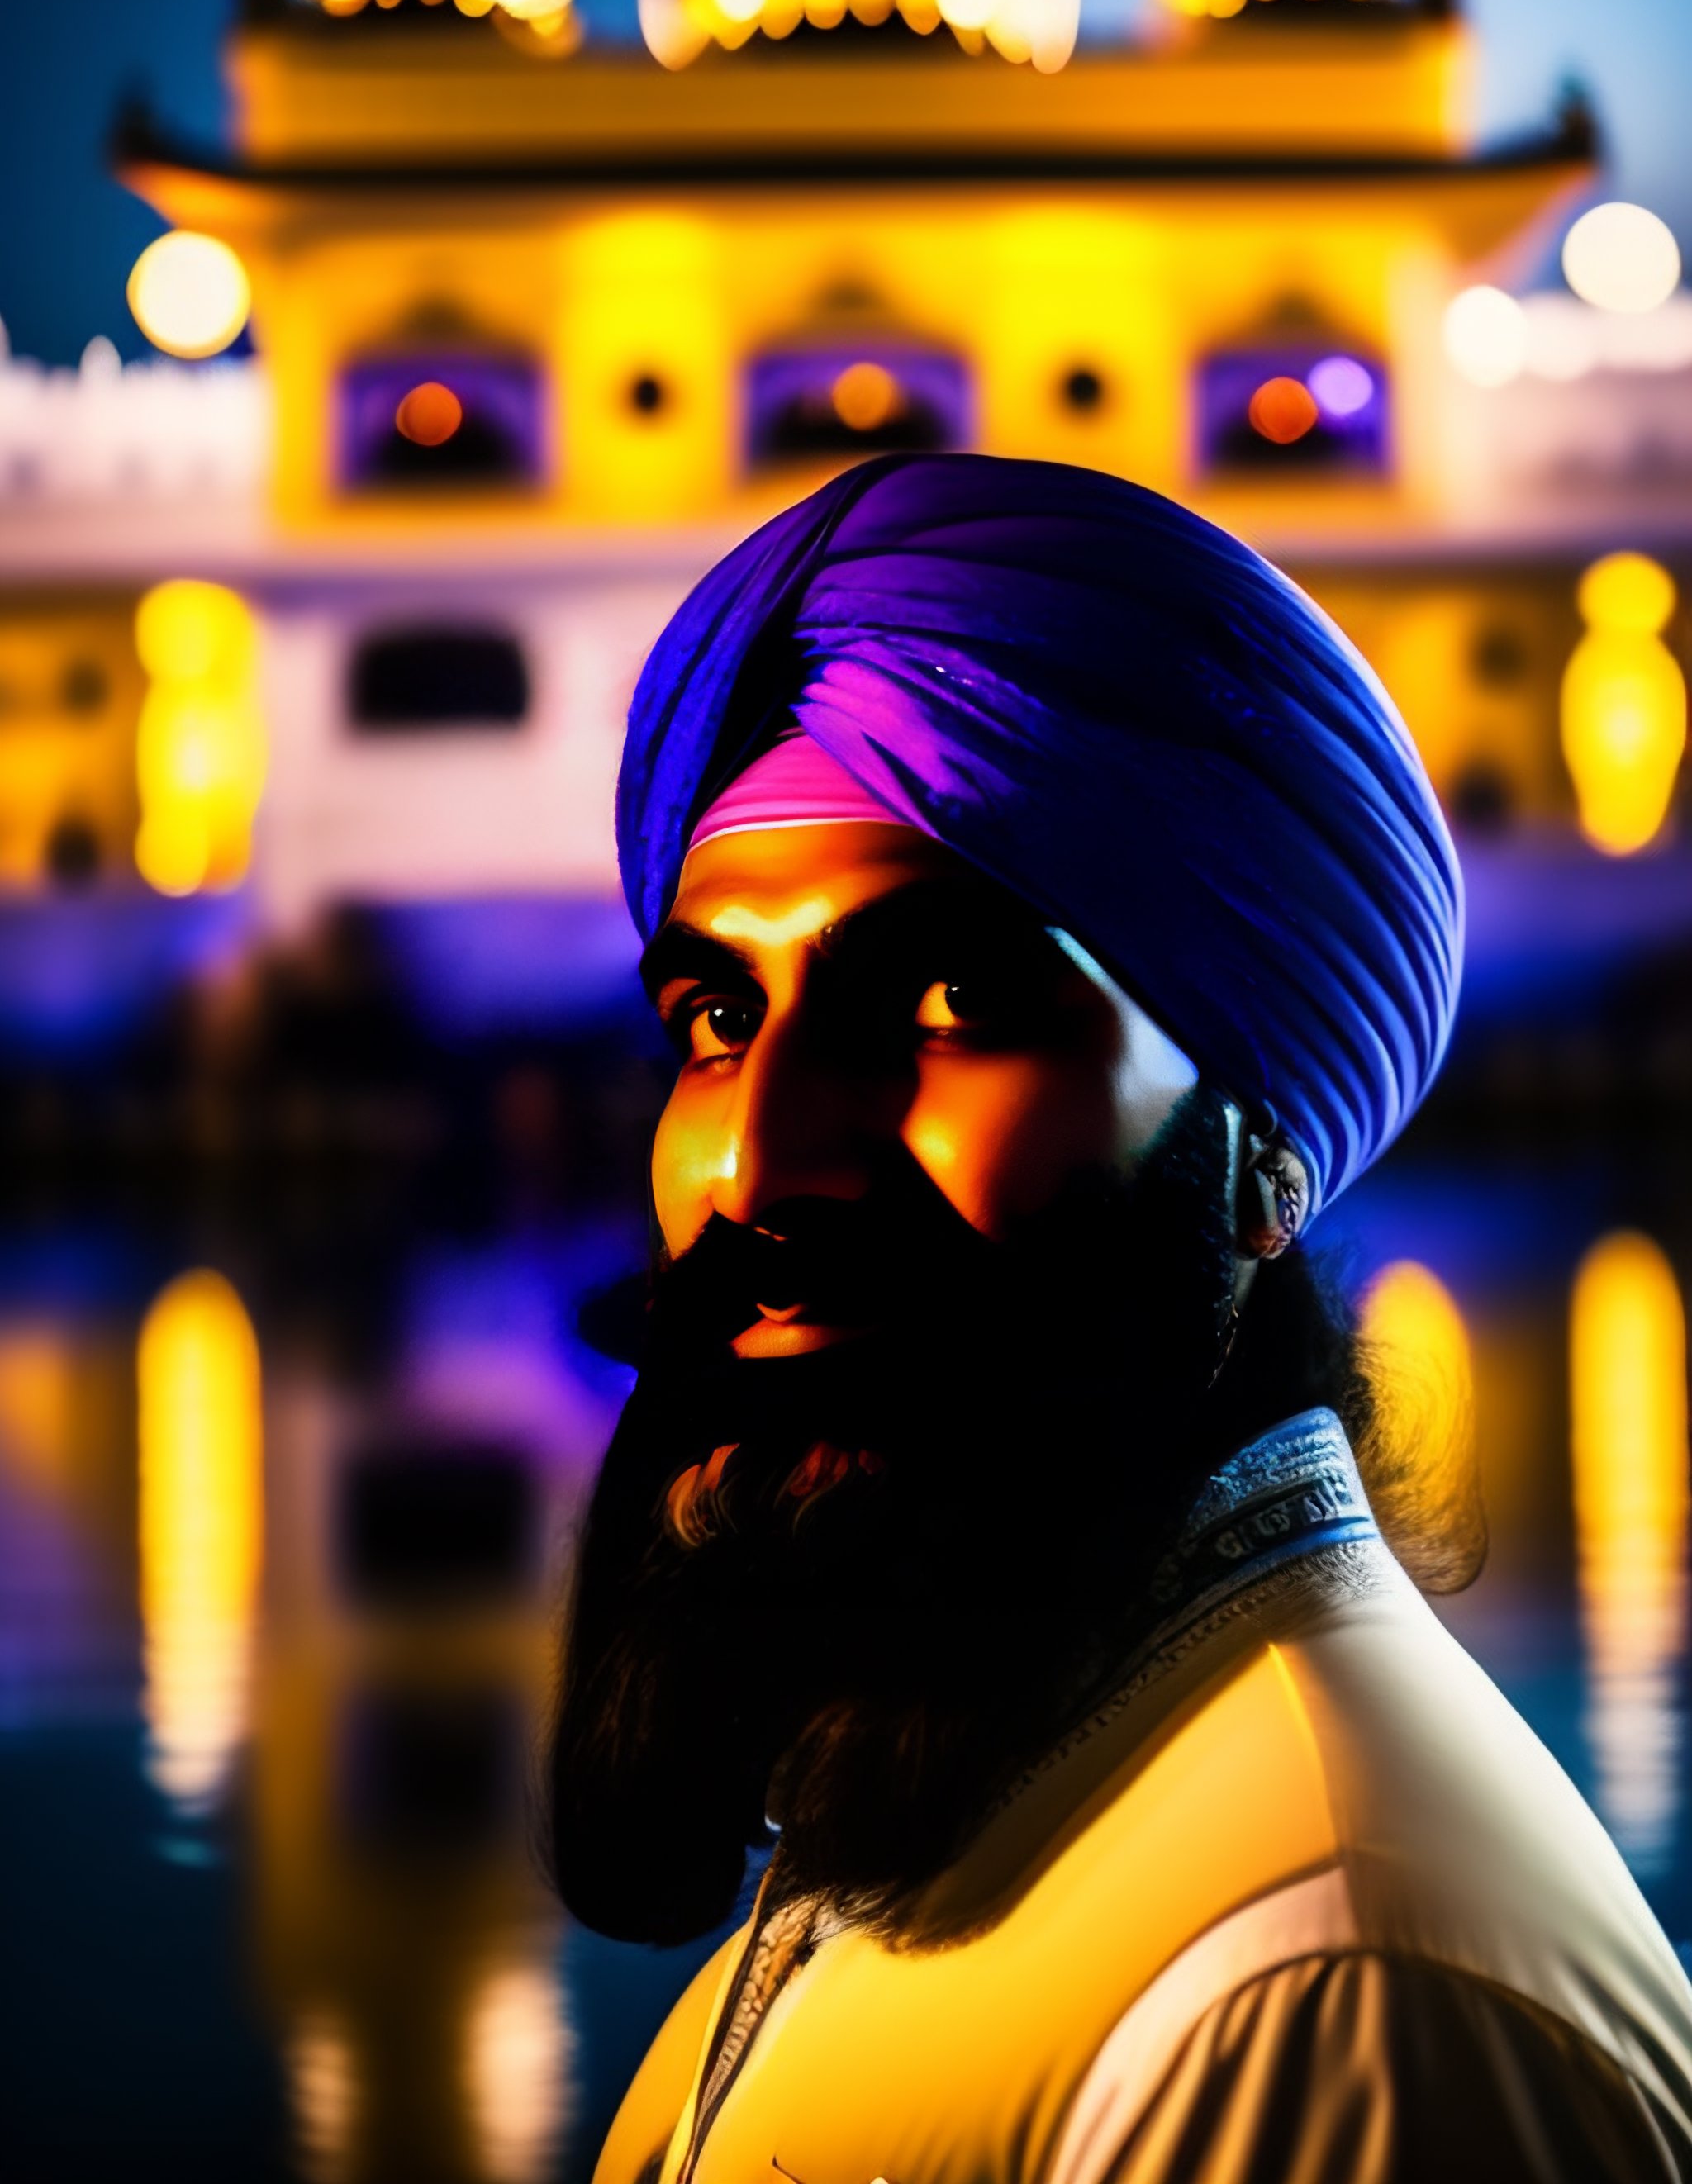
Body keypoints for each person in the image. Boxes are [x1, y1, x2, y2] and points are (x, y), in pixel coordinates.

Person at [549, 454, 1692, 2184]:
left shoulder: (1322, 2005)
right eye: (715, 1015)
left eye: (947, 999)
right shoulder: (974, 1786)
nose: (759, 1162)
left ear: (1251, 1163)